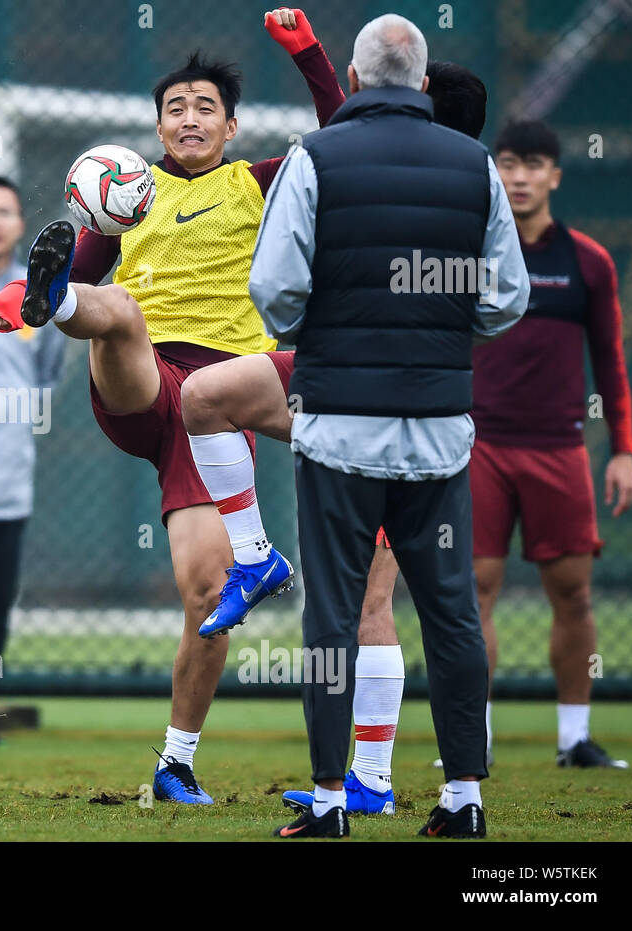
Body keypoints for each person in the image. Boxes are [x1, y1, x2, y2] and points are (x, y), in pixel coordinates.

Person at [0, 8, 344, 802]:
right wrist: (19, 301)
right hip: (142, 382)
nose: (189, 117)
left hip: (221, 405)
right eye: (175, 107)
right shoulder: (128, 197)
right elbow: (69, 268)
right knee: (116, 312)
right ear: (155, 124)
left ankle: (175, 761)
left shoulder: (257, 182)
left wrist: (310, 55)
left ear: (231, 125)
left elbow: (341, 133)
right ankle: (66, 310)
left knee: (209, 594)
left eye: (205, 106)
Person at [182, 59, 490, 816]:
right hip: (409, 409)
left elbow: (279, 286)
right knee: (206, 393)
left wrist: (316, 59)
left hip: (371, 407)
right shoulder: (463, 179)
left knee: (360, 606)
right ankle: (254, 558)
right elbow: (500, 300)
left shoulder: (367, 169)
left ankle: (365, 785)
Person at [248, 14, 528, 838]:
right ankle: (463, 801)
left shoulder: (315, 156)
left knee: (332, 616)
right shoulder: (474, 163)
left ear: (362, 77)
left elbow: (275, 289)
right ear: (423, 81)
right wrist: (443, 327)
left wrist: (323, 328)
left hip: (337, 427)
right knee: (452, 617)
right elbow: (506, 297)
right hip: (439, 430)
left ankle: (331, 802)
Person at [468, 118, 632, 768]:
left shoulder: (588, 261)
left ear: (555, 176)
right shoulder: (470, 254)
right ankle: (470, 737)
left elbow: (611, 360)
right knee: (473, 589)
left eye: (533, 164)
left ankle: (574, 738)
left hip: (559, 448)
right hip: (477, 444)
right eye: (508, 162)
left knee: (573, 592)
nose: (519, 176)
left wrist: (622, 448)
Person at [0, 175, 66, 747]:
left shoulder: (37, 291)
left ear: (19, 225)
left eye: (4, 210)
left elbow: (47, 372)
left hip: (11, 473)